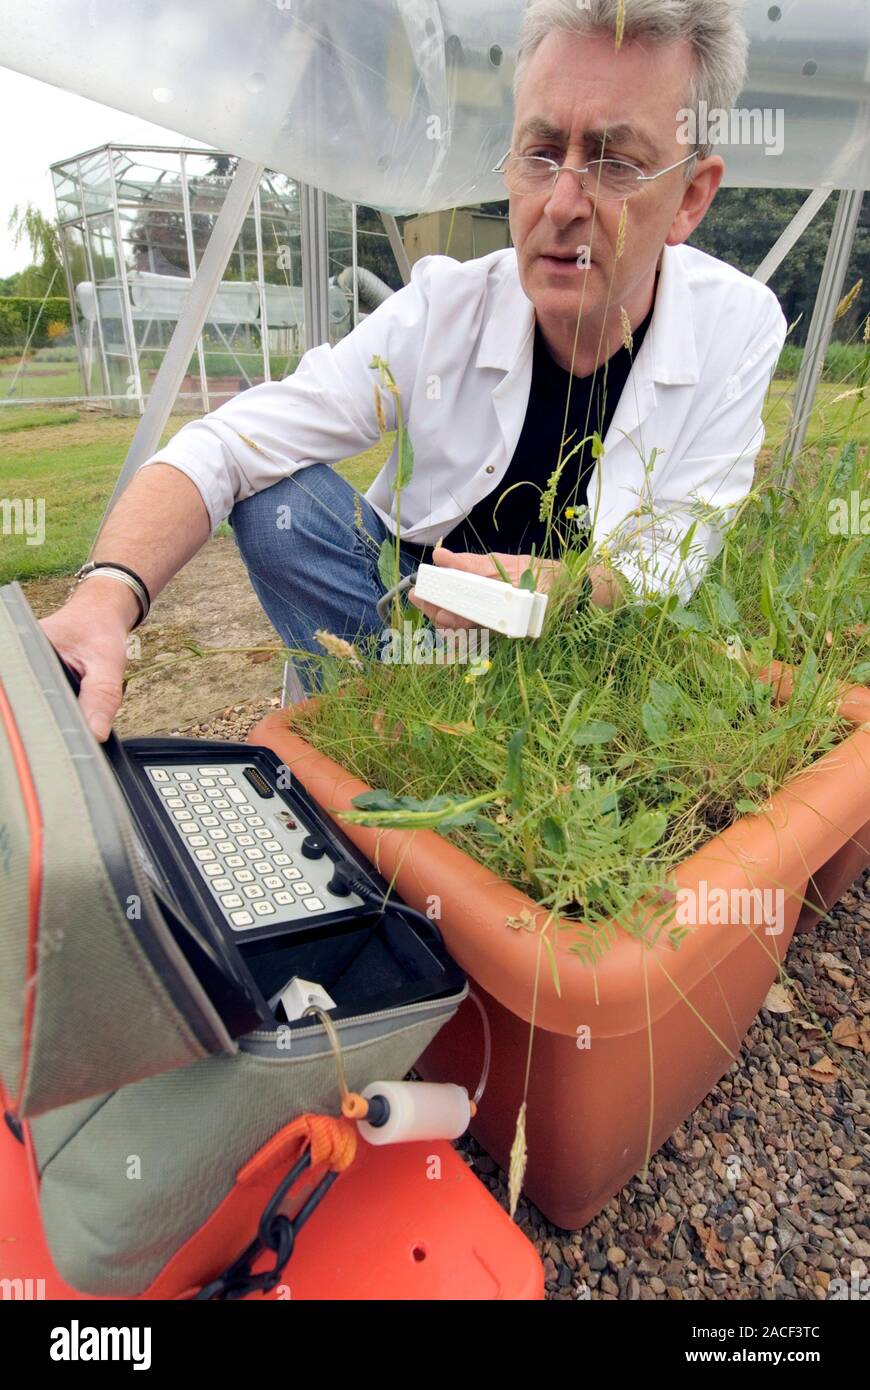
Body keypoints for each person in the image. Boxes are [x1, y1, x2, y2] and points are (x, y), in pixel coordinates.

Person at [41, 0, 787, 740]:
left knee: (623, 666)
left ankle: (437, 734)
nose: (561, 204)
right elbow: (231, 442)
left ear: (691, 196)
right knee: (279, 506)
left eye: (614, 163)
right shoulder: (444, 306)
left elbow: (669, 564)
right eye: (539, 152)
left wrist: (549, 594)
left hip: (577, 635)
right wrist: (108, 596)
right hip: (404, 603)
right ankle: (392, 722)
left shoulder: (736, 327)